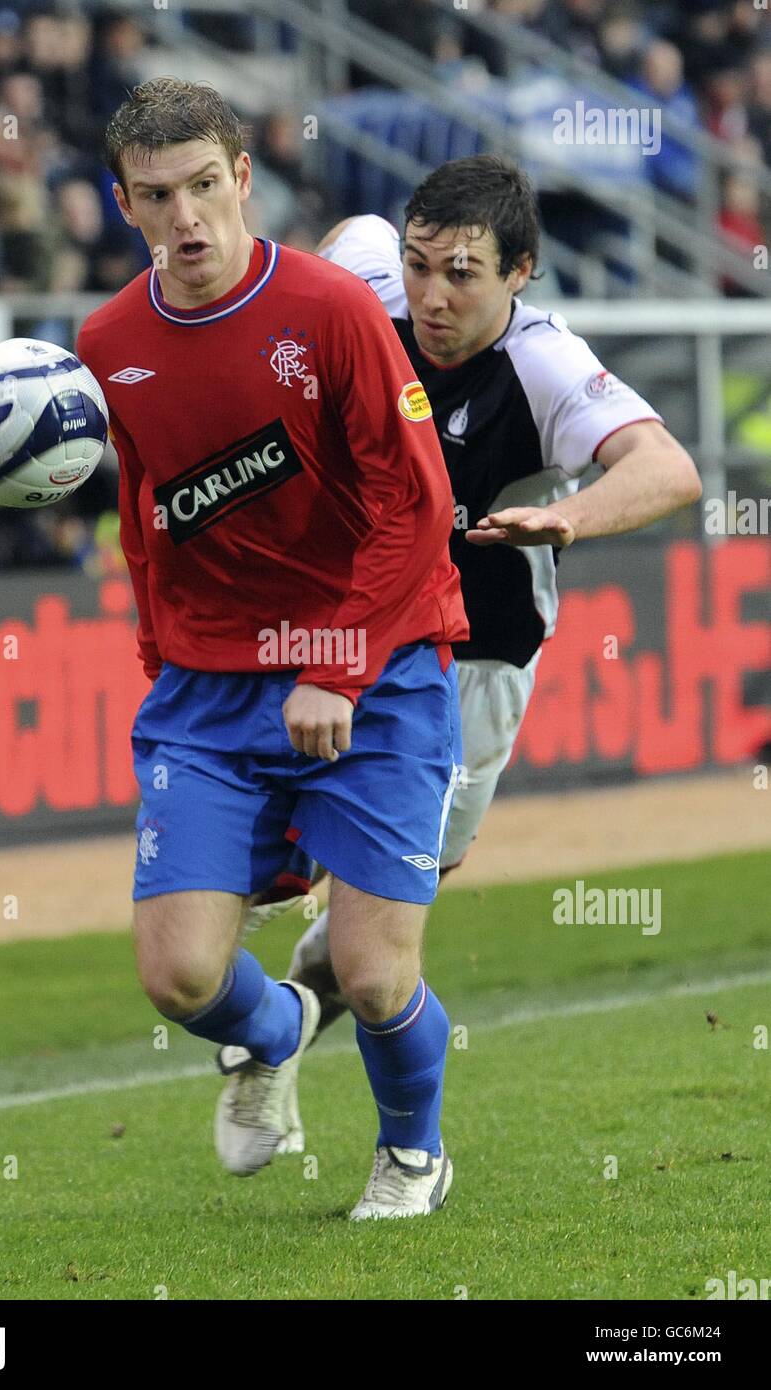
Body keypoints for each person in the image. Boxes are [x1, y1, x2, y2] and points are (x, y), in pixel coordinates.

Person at [234, 153, 701, 1148]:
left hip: (475, 663)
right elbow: (343, 246)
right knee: (302, 872)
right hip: (344, 636)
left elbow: (666, 468)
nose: (431, 294)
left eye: (463, 274)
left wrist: (568, 516)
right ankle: (343, 1091)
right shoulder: (368, 278)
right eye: (419, 265)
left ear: (520, 272)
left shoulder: (541, 363)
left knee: (387, 907)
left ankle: (283, 1029)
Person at [75, 78, 469, 1220]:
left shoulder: (331, 310)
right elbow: (146, 506)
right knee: (179, 976)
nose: (188, 216)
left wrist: (334, 661)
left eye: (206, 185)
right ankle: (271, 1029)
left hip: (375, 665)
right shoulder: (107, 342)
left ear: (243, 179)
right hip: (210, 687)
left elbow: (415, 504)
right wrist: (159, 645)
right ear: (125, 206)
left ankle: (410, 1153)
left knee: (373, 970)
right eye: (159, 196)